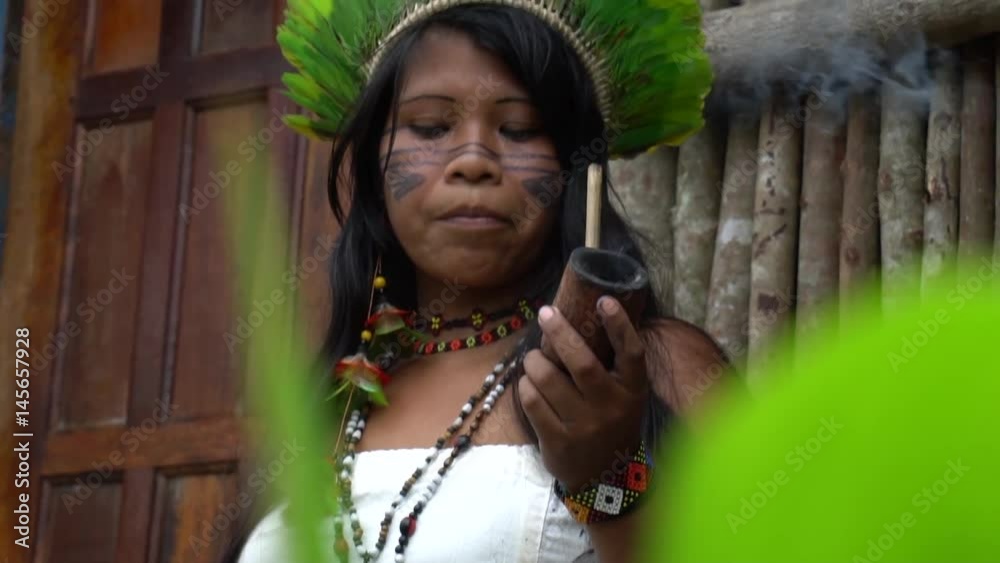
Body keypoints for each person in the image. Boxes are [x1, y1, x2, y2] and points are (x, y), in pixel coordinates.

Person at [231, 1, 725, 562]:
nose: (473, 160)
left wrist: (609, 483)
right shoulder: (331, 401)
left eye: (519, 130)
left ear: (574, 170)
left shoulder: (655, 366)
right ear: (373, 163)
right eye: (431, 127)